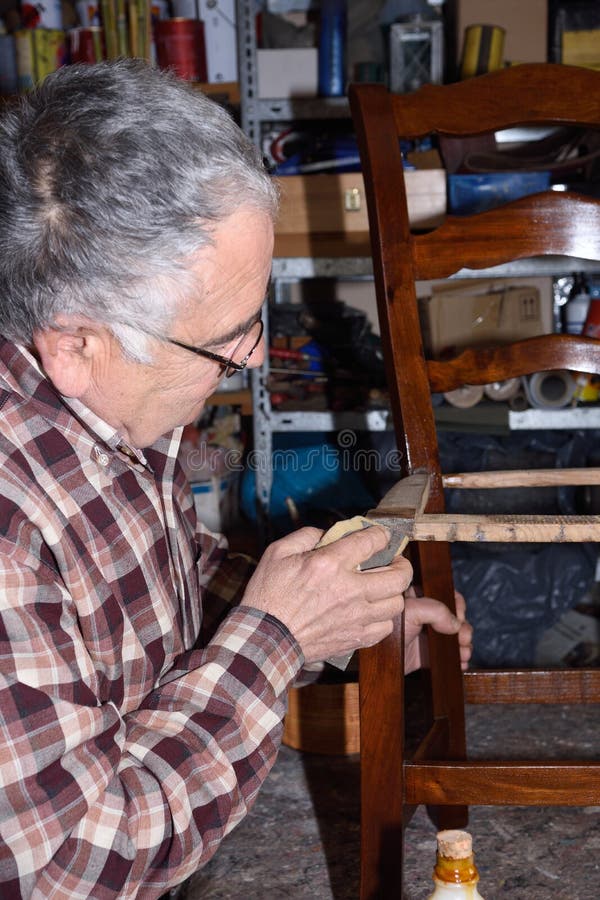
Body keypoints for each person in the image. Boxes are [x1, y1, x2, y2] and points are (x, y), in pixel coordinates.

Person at [0, 59, 472, 898]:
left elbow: (159, 575)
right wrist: (276, 637)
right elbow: (73, 863)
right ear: (73, 343)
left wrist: (330, 611)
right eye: (226, 339)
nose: (254, 356)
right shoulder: (8, 518)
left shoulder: (113, 407)